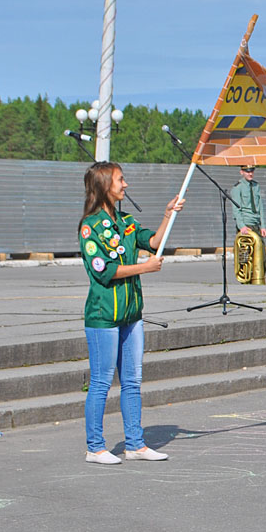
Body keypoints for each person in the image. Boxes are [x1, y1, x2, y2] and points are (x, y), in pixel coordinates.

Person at [79, 161, 184, 464]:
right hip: (103, 315)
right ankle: (95, 447)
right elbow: (104, 271)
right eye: (120, 180)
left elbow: (153, 243)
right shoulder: (91, 226)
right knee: (101, 382)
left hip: (131, 314)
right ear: (104, 186)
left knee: (133, 380)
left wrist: (168, 215)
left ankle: (135, 443)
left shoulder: (126, 221)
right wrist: (145, 268)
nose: (125, 185)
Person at [230, 164, 266, 284]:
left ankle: (258, 281)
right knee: (245, 258)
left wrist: (263, 226)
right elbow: (236, 209)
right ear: (241, 172)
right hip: (245, 225)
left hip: (256, 224)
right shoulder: (237, 188)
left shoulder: (256, 186)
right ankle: (245, 282)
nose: (250, 173)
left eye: (251, 171)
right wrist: (241, 226)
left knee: (262, 257)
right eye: (247, 171)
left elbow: (260, 206)